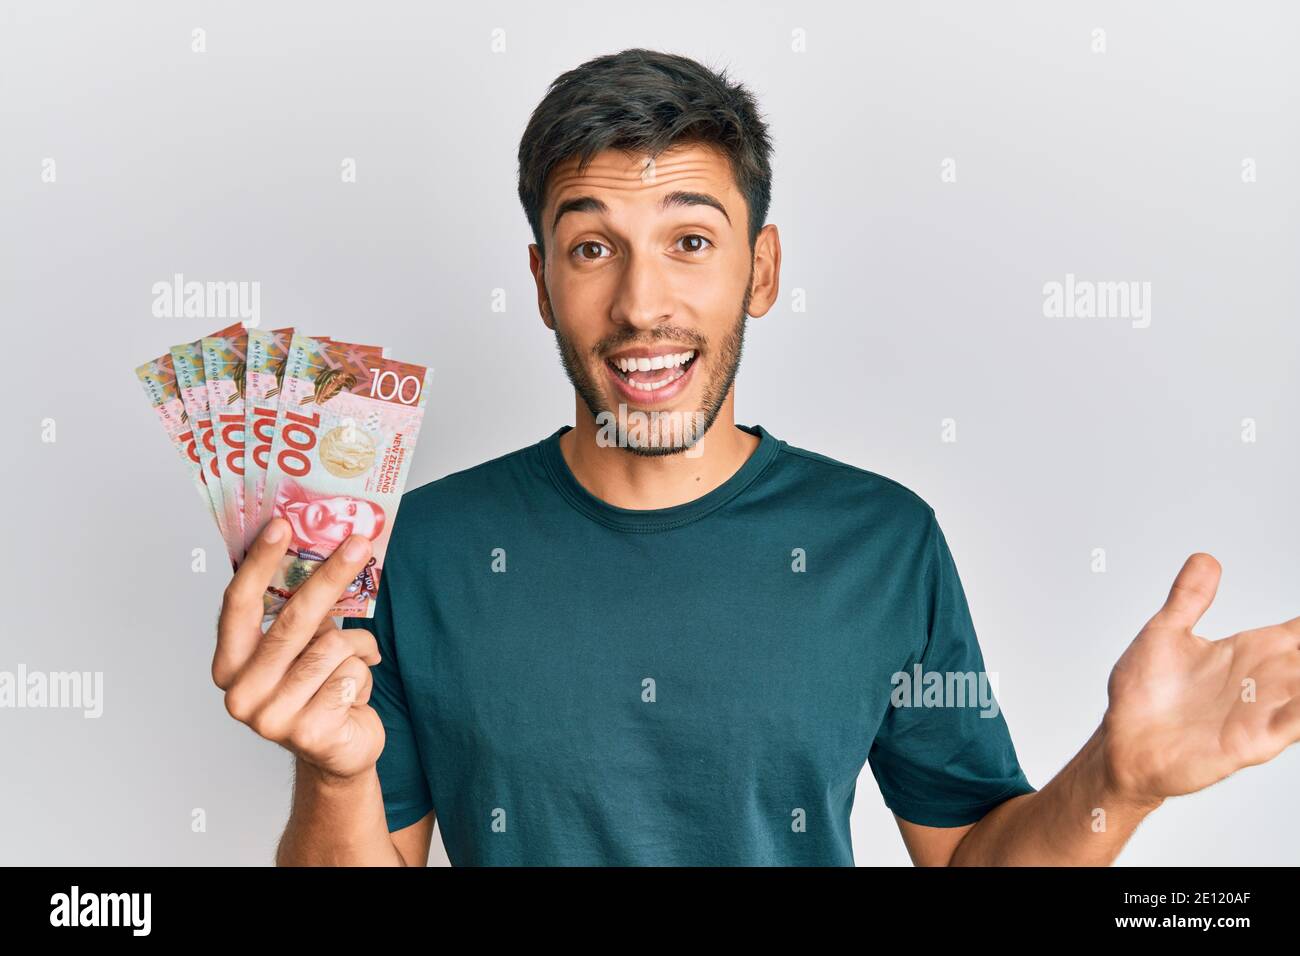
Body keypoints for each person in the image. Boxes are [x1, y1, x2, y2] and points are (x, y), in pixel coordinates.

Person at [213, 48, 1300, 866]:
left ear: (760, 269)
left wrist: (1119, 778)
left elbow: (970, 856)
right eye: (593, 247)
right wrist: (329, 769)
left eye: (690, 241)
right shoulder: (422, 547)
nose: (642, 305)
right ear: (542, 280)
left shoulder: (883, 541)